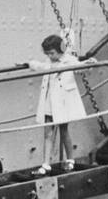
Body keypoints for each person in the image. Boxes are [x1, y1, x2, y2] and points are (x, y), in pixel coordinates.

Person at [34, 33, 86, 173]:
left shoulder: (69, 61)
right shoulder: (49, 62)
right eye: (48, 54)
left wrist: (89, 64)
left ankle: (70, 159)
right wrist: (29, 64)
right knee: (48, 133)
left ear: (61, 49)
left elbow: (80, 67)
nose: (50, 56)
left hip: (62, 103)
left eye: (52, 53)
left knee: (64, 131)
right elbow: (40, 66)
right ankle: (46, 164)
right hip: (49, 102)